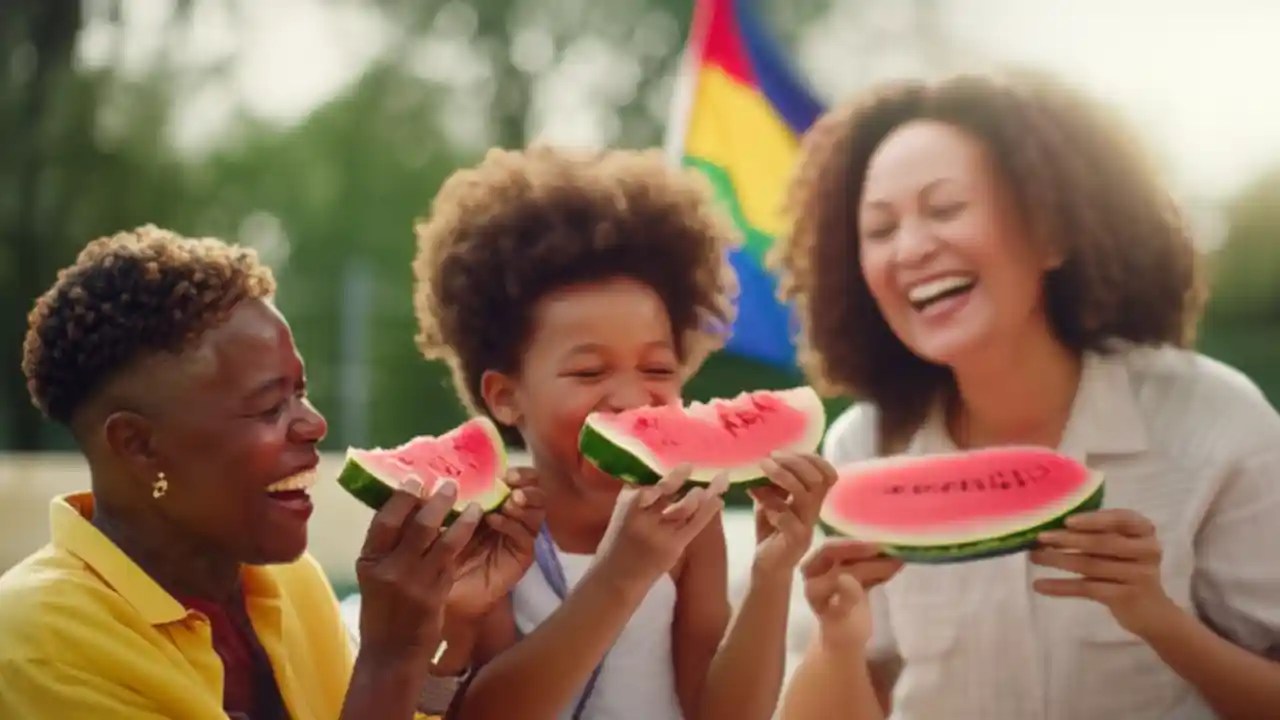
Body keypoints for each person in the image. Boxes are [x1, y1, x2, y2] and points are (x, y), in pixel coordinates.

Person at [770, 72, 1280, 719]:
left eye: (945, 208)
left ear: (1050, 230)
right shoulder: (863, 448)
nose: (913, 248)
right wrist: (838, 642)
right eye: (879, 229)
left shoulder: (1214, 423)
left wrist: (1160, 621)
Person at [0, 225, 541, 719]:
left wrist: (451, 625)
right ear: (139, 445)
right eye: (268, 407)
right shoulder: (37, 641)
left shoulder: (285, 580)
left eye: (300, 393)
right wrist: (390, 656)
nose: (314, 424)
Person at [410, 146, 837, 720]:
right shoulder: (495, 529)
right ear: (506, 396)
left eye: (659, 369)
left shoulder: (693, 527)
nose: (633, 399)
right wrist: (620, 575)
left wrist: (771, 572)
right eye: (589, 372)